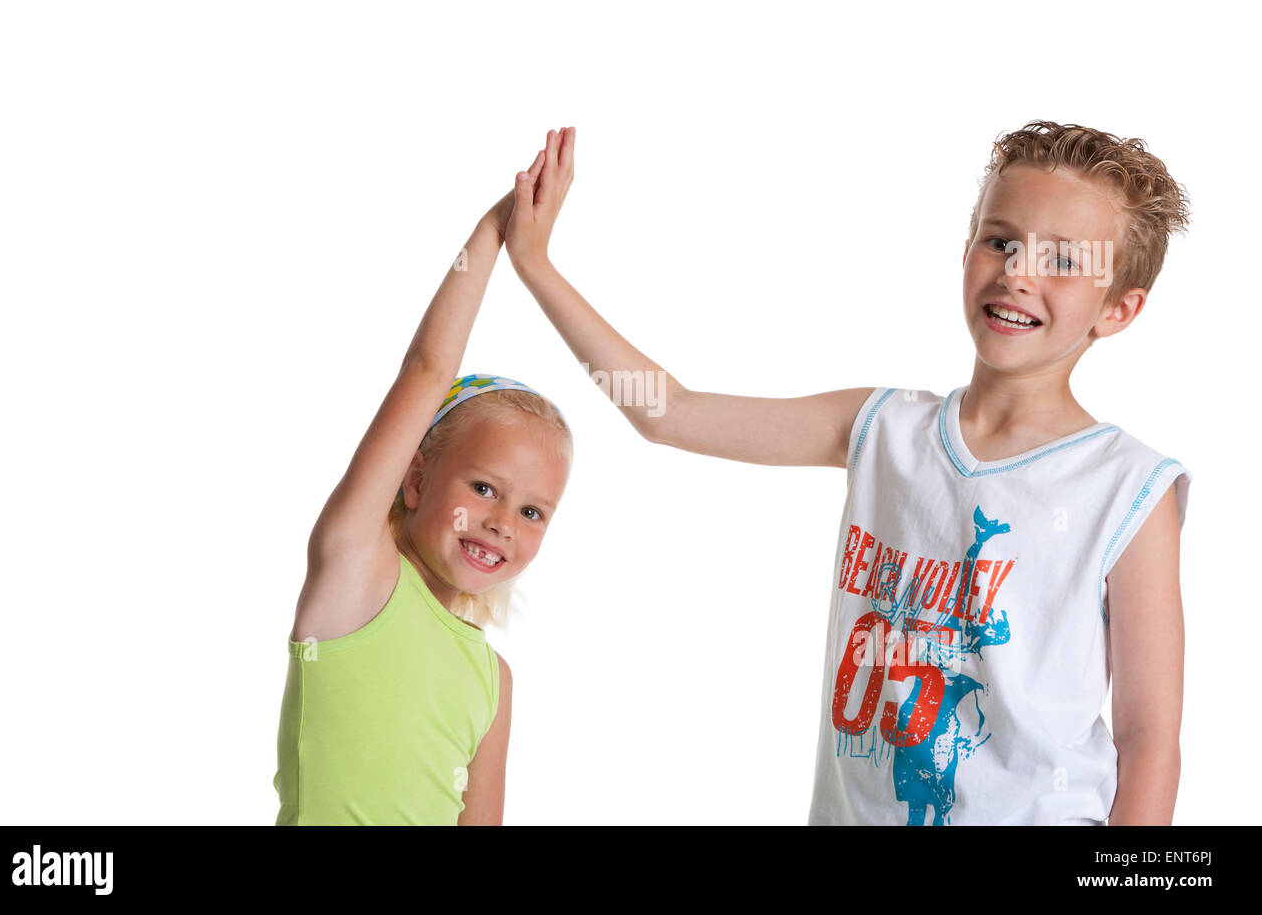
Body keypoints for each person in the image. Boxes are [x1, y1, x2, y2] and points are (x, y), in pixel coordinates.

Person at [509, 122, 1191, 825]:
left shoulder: (1127, 488)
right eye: (1000, 240)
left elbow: (1148, 737)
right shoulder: (884, 429)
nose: (1018, 271)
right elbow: (667, 412)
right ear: (967, 251)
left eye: (1062, 260)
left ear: (1120, 309)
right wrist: (535, 264)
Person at [273, 148, 575, 825]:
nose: (503, 524)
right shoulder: (355, 576)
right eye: (485, 488)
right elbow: (427, 369)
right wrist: (498, 232)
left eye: (532, 511)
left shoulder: (492, 682)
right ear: (414, 478)